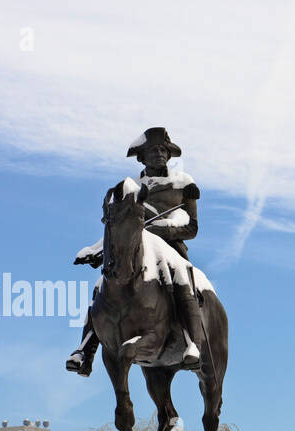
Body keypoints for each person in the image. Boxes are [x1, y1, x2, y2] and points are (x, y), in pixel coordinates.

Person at [66, 127, 205, 375]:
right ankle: (85, 350)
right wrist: (97, 250)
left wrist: (159, 229)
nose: (160, 154)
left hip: (170, 251)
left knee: (182, 276)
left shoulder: (183, 184)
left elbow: (191, 227)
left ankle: (192, 343)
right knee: (102, 284)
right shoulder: (130, 191)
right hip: (136, 249)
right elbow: (120, 229)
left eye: (163, 150)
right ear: (141, 157)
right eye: (153, 150)